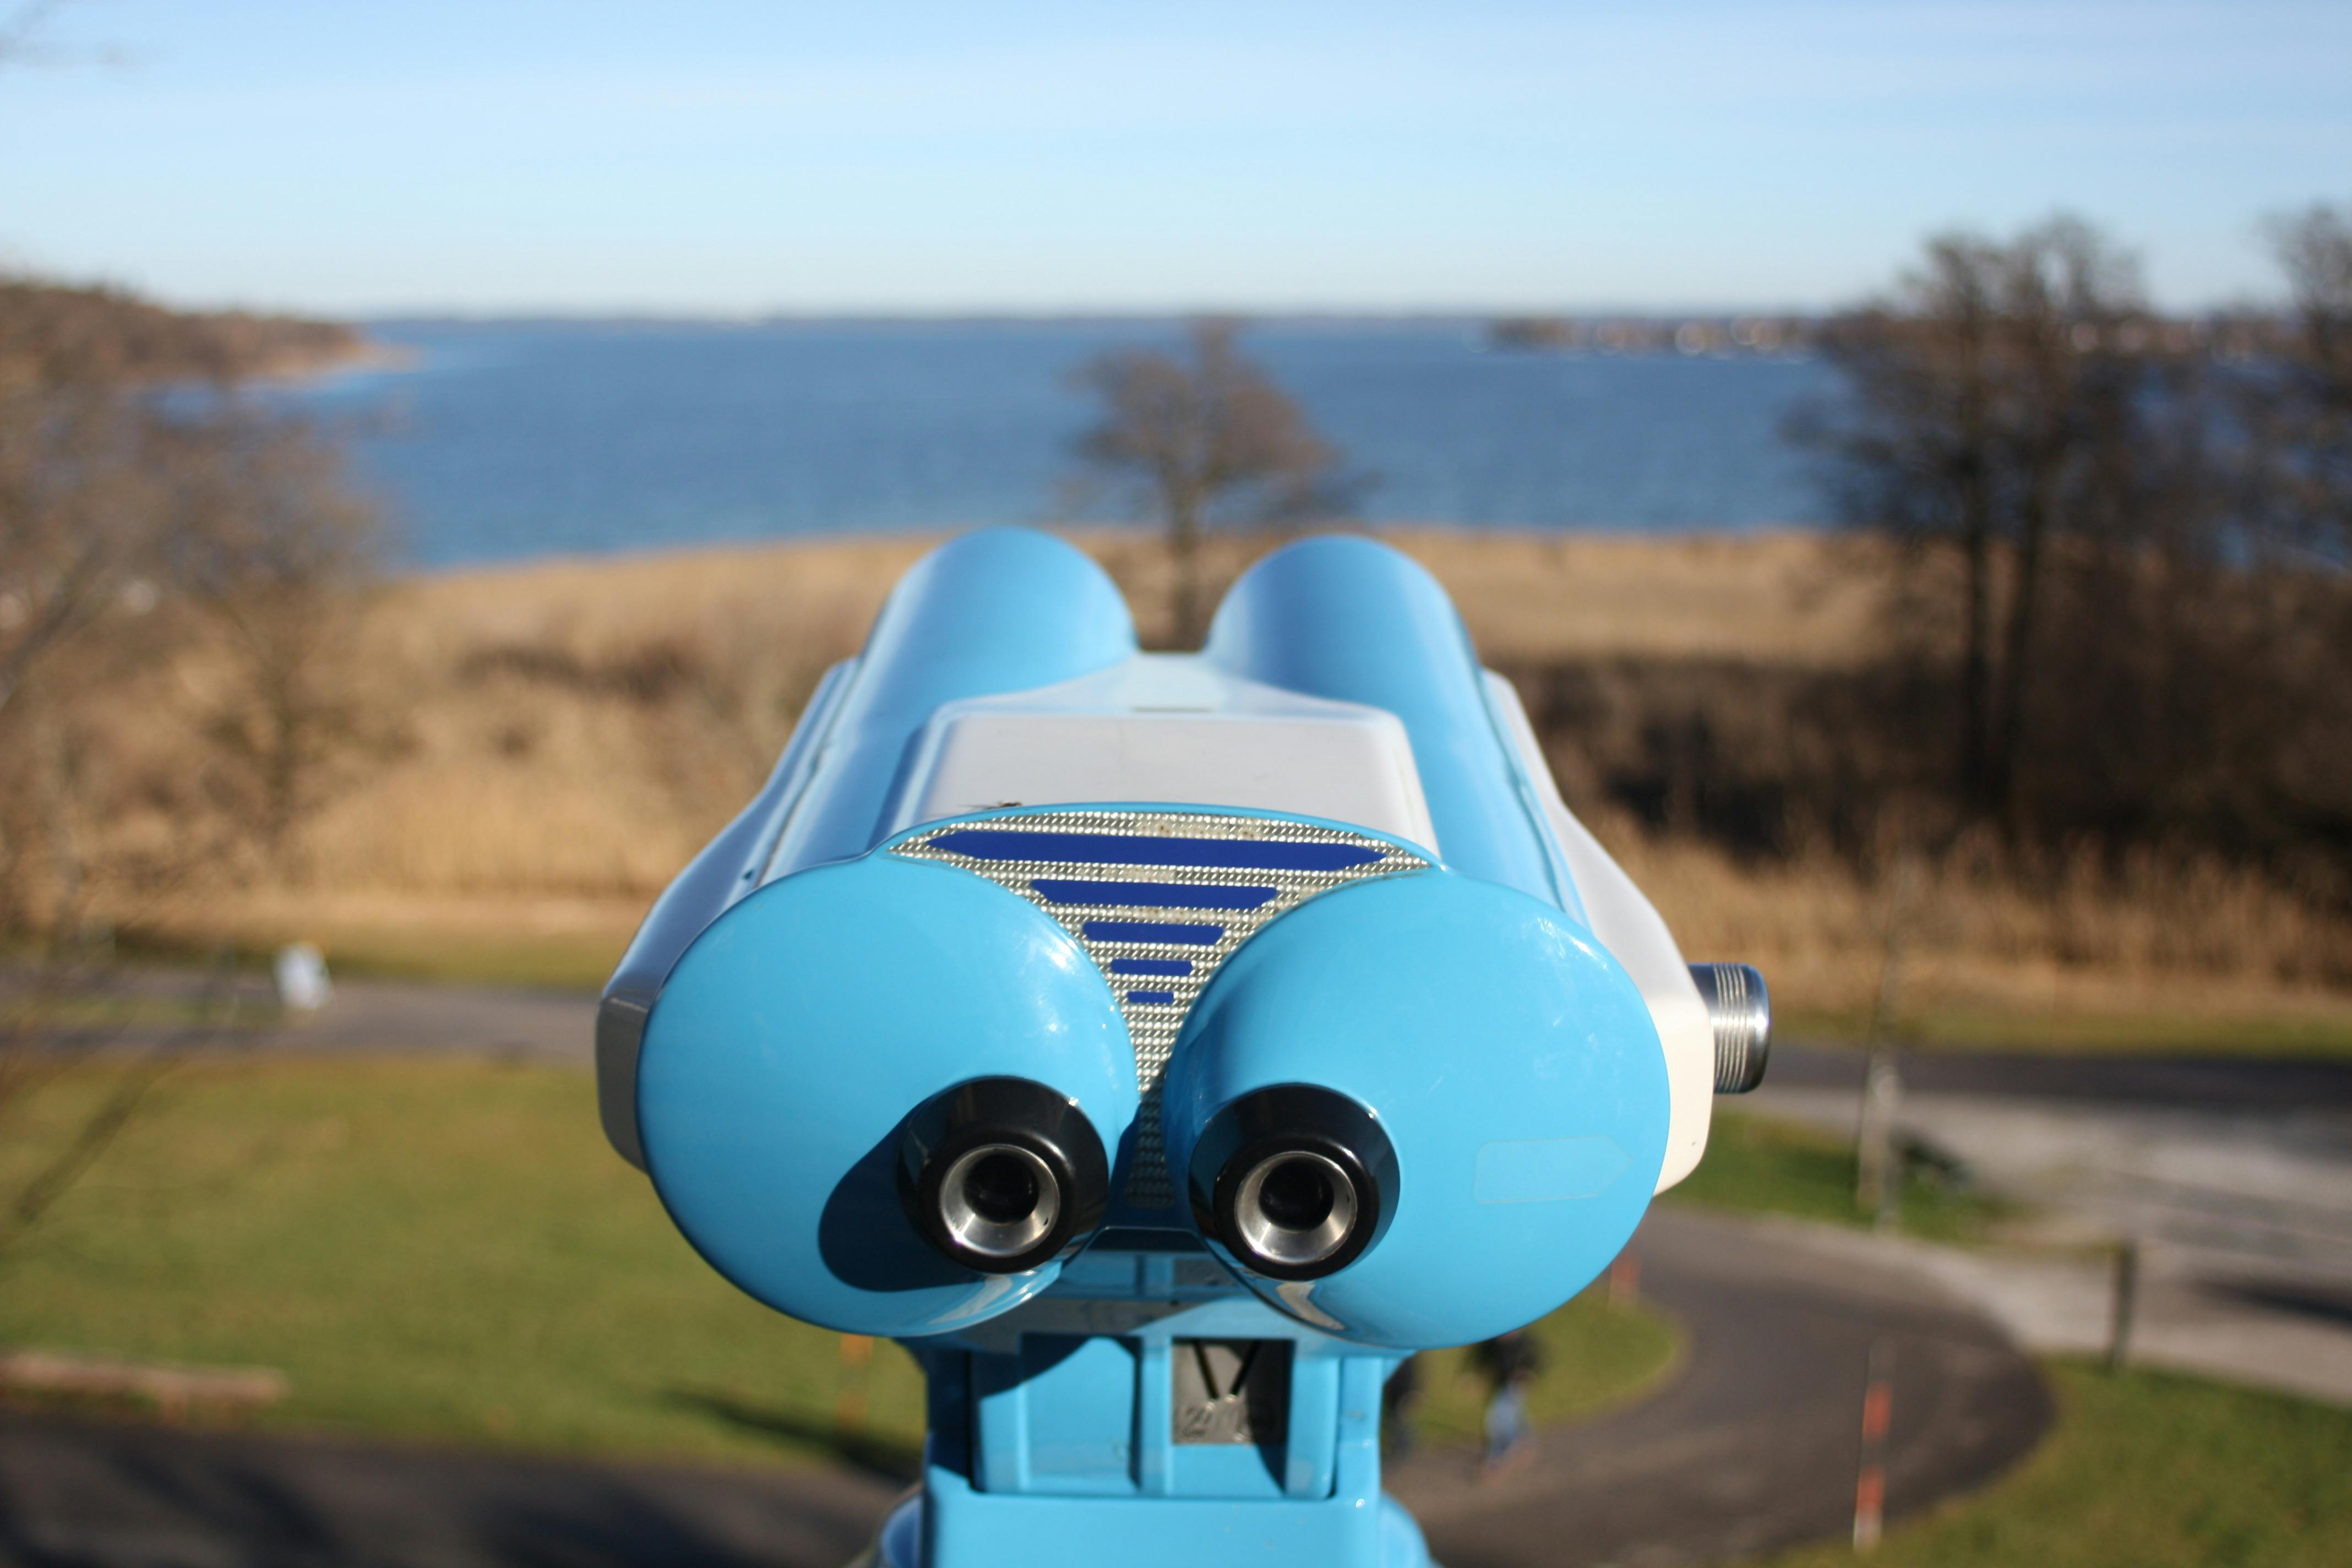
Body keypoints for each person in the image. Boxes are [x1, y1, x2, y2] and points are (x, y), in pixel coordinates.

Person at [1471, 1329, 1542, 1474]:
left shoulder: (1523, 1342)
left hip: (1516, 1384)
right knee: (1514, 1415)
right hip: (1502, 1383)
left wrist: (1528, 1375)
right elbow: (1484, 1358)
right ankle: (1524, 1443)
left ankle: (1498, 1458)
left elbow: (1534, 1359)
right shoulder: (1494, 1341)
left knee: (1497, 1419)